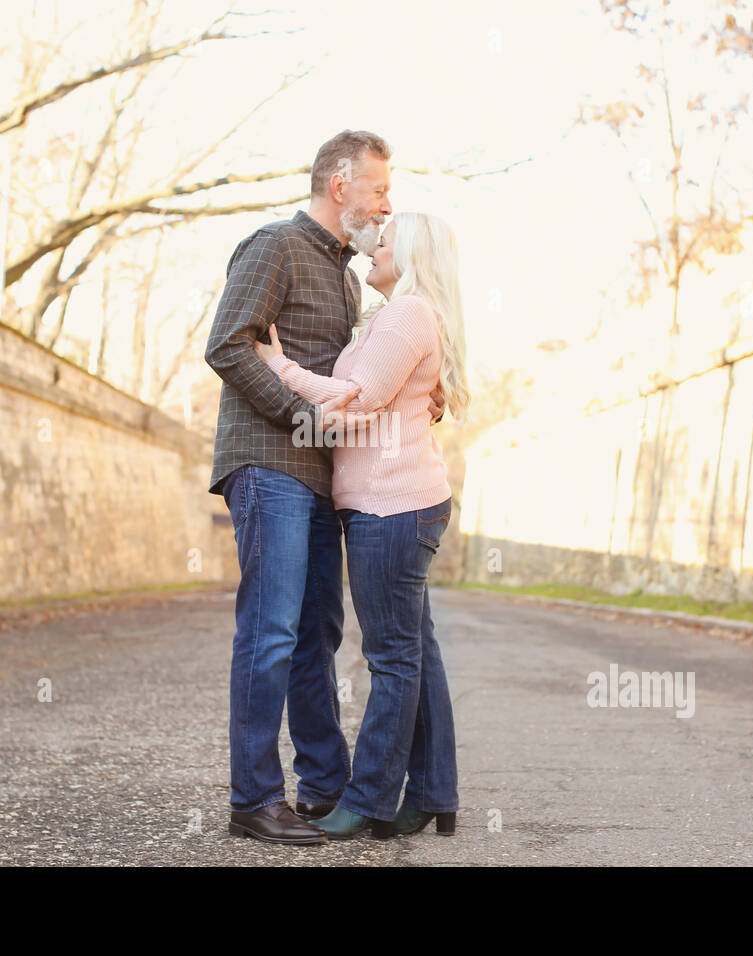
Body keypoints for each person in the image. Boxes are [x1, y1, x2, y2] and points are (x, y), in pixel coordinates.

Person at [204, 131, 444, 845]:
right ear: (340, 186)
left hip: (321, 477)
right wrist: (302, 415)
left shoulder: (347, 276)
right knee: (272, 629)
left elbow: (362, 380)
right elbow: (226, 343)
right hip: (268, 462)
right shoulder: (274, 244)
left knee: (317, 634)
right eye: (377, 188)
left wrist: (422, 391)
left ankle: (322, 786)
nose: (386, 202)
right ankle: (253, 798)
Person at [253, 211, 470, 839]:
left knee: (393, 658)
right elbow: (368, 404)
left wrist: (279, 366)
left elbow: (356, 405)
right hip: (398, 502)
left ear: (411, 250)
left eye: (386, 236)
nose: (372, 245)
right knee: (415, 654)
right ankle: (433, 791)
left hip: (393, 508)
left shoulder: (407, 314)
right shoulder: (398, 315)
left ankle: (371, 798)